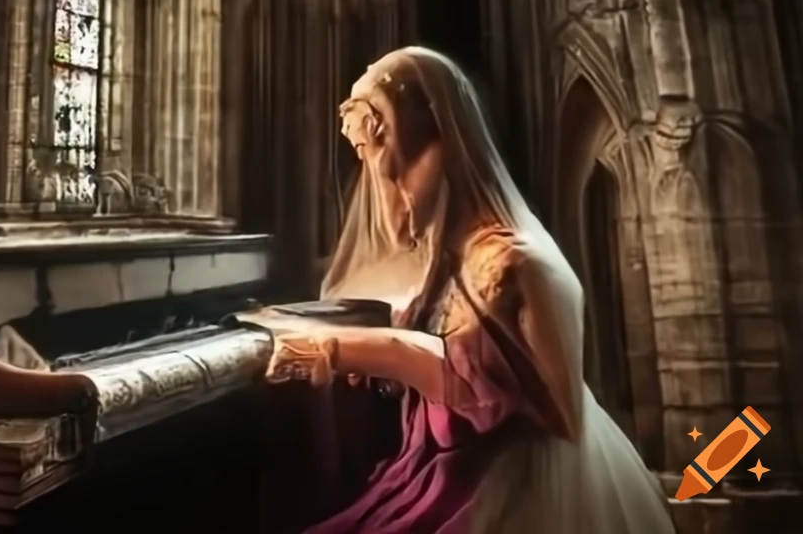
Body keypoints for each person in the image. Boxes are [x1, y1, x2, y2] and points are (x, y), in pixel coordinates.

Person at [265, 47, 677, 533]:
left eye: (390, 164)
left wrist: (340, 348)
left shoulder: (520, 264)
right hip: (443, 474)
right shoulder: (451, 263)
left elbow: (549, 413)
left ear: (438, 152)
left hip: (513, 493)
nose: (387, 189)